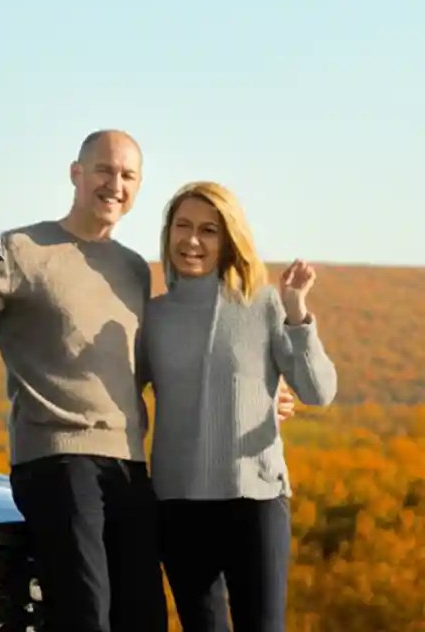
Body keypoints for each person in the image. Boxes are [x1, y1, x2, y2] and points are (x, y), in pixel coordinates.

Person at [0, 129, 168, 632]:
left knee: (143, 617)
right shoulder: (23, 250)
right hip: (57, 460)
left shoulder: (134, 269)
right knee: (86, 616)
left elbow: (148, 369)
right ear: (76, 174)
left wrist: (254, 397)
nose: (114, 184)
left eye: (127, 175)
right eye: (103, 170)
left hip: (128, 464)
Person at [139, 181, 337, 632]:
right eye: (182, 226)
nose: (192, 240)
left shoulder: (265, 304)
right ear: (168, 233)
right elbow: (122, 393)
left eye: (208, 230)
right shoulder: (153, 316)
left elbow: (319, 391)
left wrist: (296, 311)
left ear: (228, 239)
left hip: (257, 501)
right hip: (179, 504)